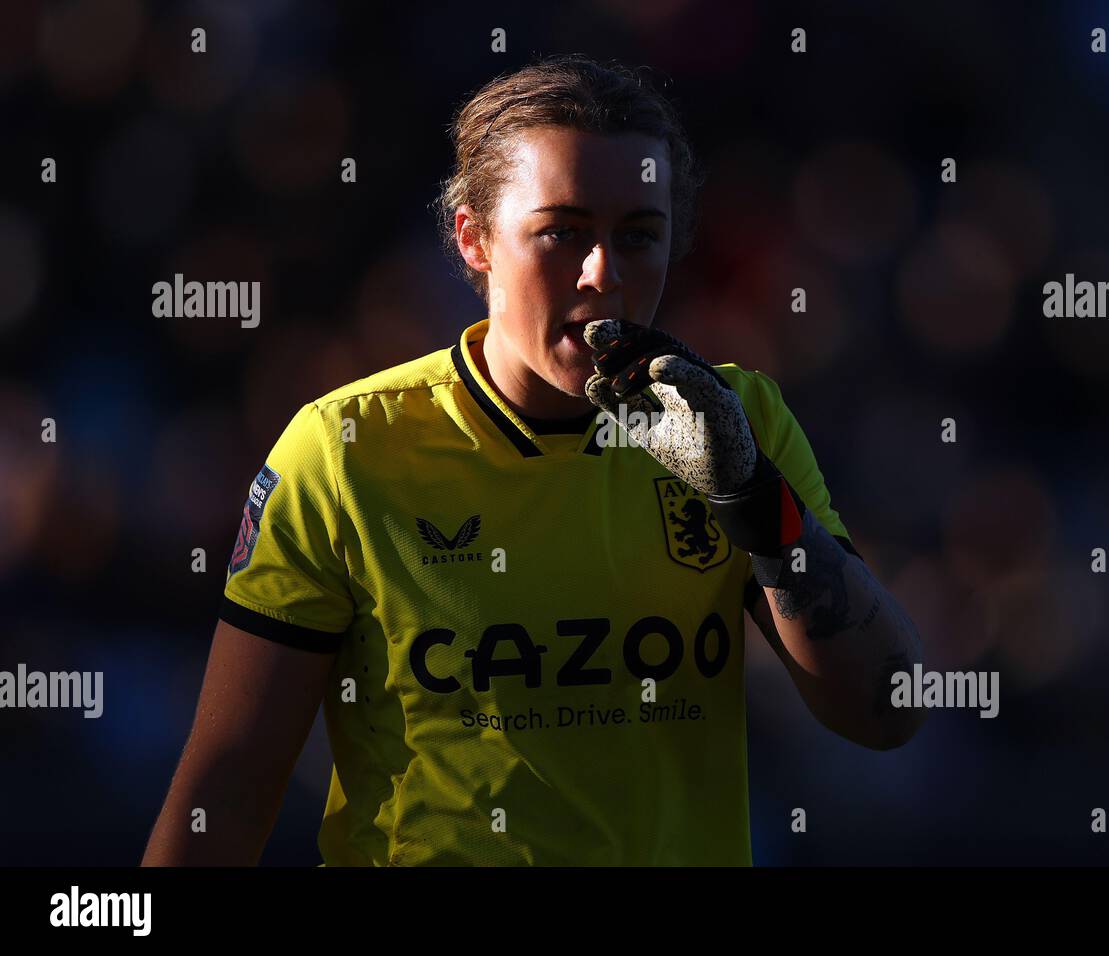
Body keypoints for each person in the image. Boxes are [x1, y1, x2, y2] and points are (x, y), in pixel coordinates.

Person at [142, 53, 924, 868]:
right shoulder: (345, 450)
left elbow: (888, 711)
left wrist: (759, 506)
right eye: (562, 231)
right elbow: (226, 792)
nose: (602, 275)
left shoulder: (737, 422)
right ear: (473, 239)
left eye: (638, 236)